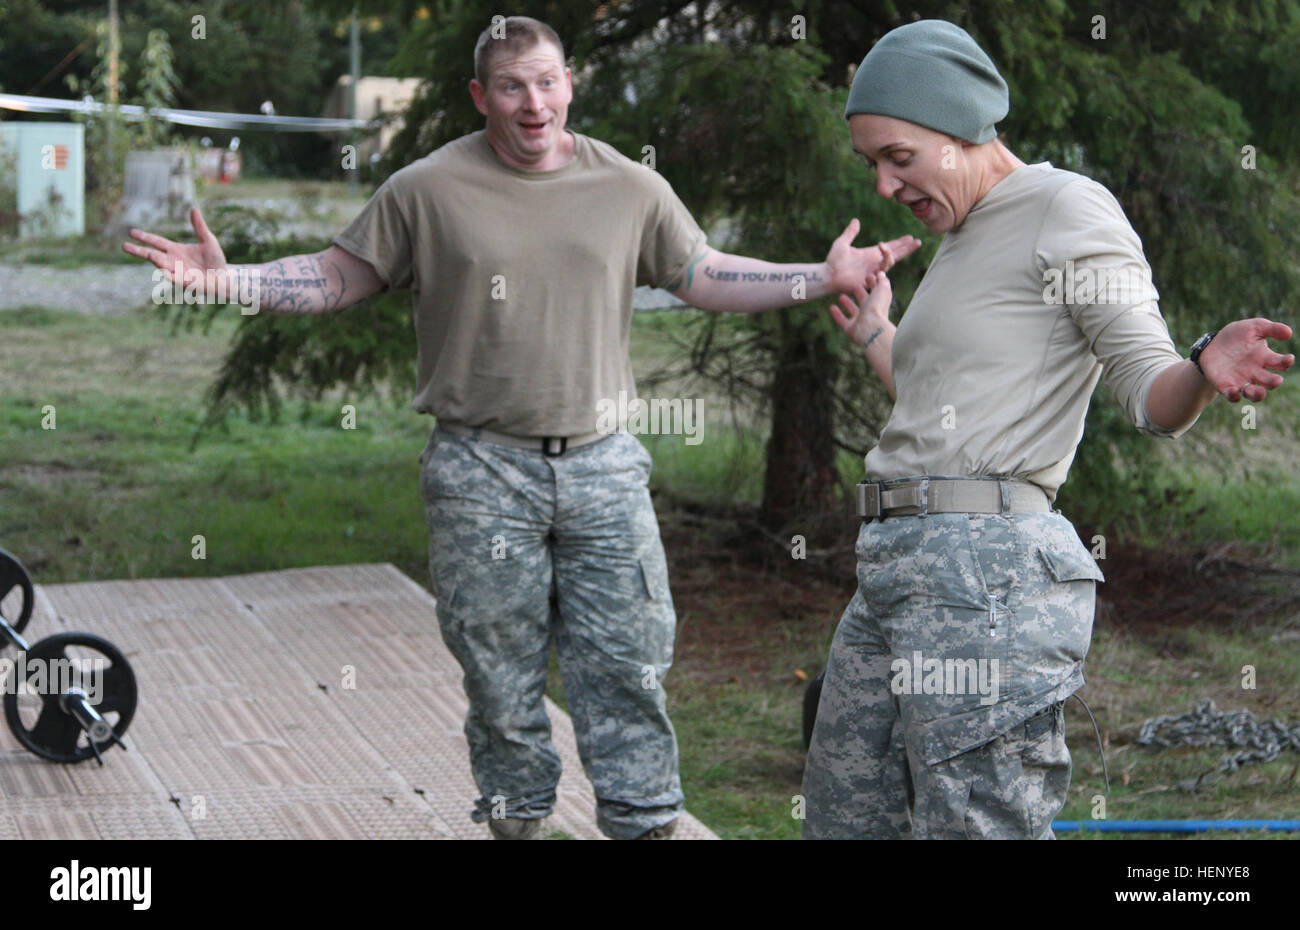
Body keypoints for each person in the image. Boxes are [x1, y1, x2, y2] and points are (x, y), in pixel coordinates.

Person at [123, 16, 920, 840]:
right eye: (511, 86)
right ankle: (518, 825)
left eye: (546, 82)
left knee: (630, 669)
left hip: (603, 465)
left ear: (570, 83)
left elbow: (703, 273)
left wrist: (816, 277)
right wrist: (232, 282)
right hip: (479, 470)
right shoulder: (426, 189)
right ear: (481, 96)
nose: (532, 104)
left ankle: (644, 825)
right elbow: (336, 277)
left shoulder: (629, 187)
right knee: (500, 685)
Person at [802, 19, 1294, 840]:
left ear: (957, 127)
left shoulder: (1065, 207)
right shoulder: (962, 235)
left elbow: (1147, 388)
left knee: (977, 826)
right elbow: (947, 413)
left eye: (899, 157)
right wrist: (879, 336)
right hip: (894, 567)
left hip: (985, 579)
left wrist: (1202, 367)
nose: (885, 186)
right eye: (872, 165)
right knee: (844, 818)